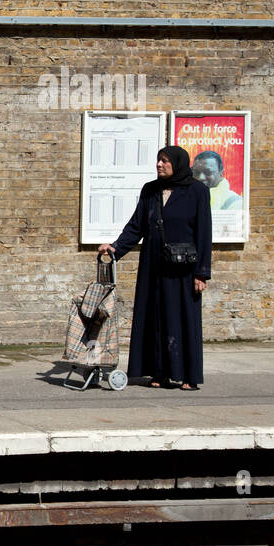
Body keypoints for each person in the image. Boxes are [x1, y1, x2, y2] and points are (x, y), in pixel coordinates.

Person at [99, 146, 211, 390]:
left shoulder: (197, 192)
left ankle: (188, 376)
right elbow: (136, 225)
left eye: (165, 161)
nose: (159, 164)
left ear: (178, 164)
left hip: (184, 268)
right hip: (153, 265)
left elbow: (204, 233)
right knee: (154, 316)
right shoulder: (151, 190)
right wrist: (116, 247)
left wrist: (202, 272)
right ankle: (157, 372)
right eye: (158, 160)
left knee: (183, 319)